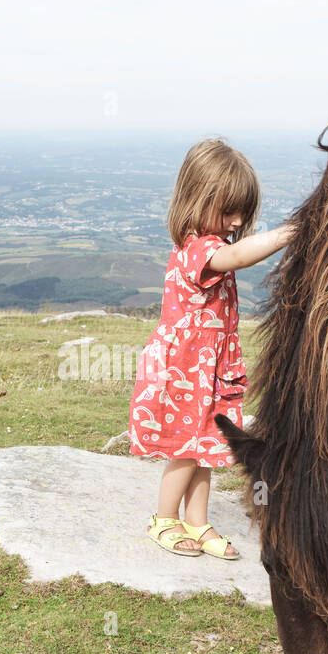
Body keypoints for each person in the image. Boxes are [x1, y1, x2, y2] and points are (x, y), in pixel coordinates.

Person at [128, 138, 295, 558]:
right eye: (228, 210)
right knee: (185, 449)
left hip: (210, 366)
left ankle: (197, 522)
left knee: (205, 448)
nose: (237, 220)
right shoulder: (198, 248)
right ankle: (164, 518)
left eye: (243, 210)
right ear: (197, 199)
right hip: (185, 367)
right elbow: (238, 256)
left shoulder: (210, 241)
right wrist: (292, 232)